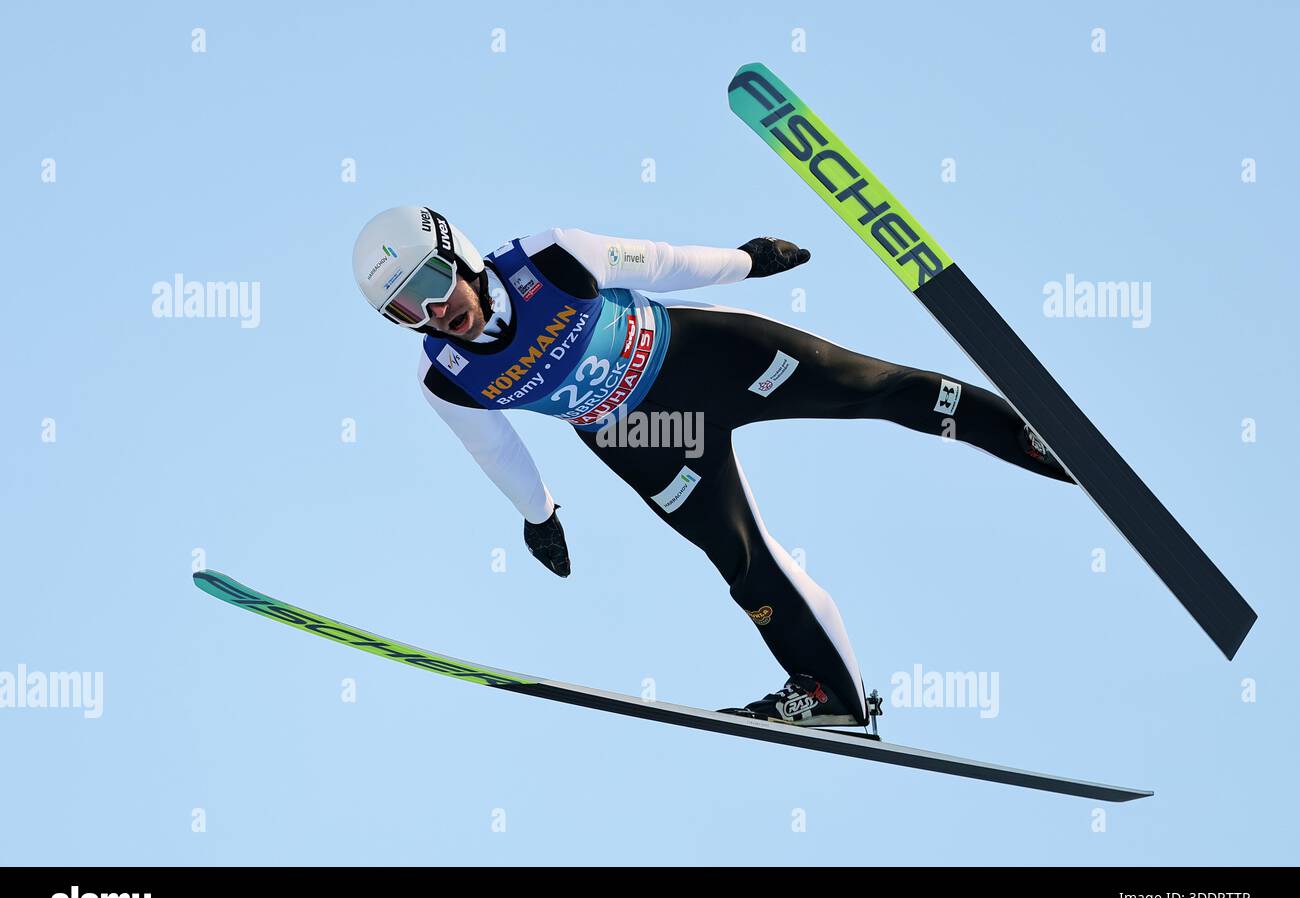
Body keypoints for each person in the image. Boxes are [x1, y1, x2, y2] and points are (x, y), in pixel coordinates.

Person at [352, 206, 1072, 727]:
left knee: (875, 389)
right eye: (406, 309)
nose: (434, 310)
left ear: (463, 254)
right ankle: (830, 694)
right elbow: (495, 449)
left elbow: (659, 262)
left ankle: (1032, 439)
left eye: (434, 284)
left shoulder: (550, 257)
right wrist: (540, 517)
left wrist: (748, 261)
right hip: (644, 437)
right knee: (742, 560)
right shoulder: (445, 378)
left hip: (706, 359)